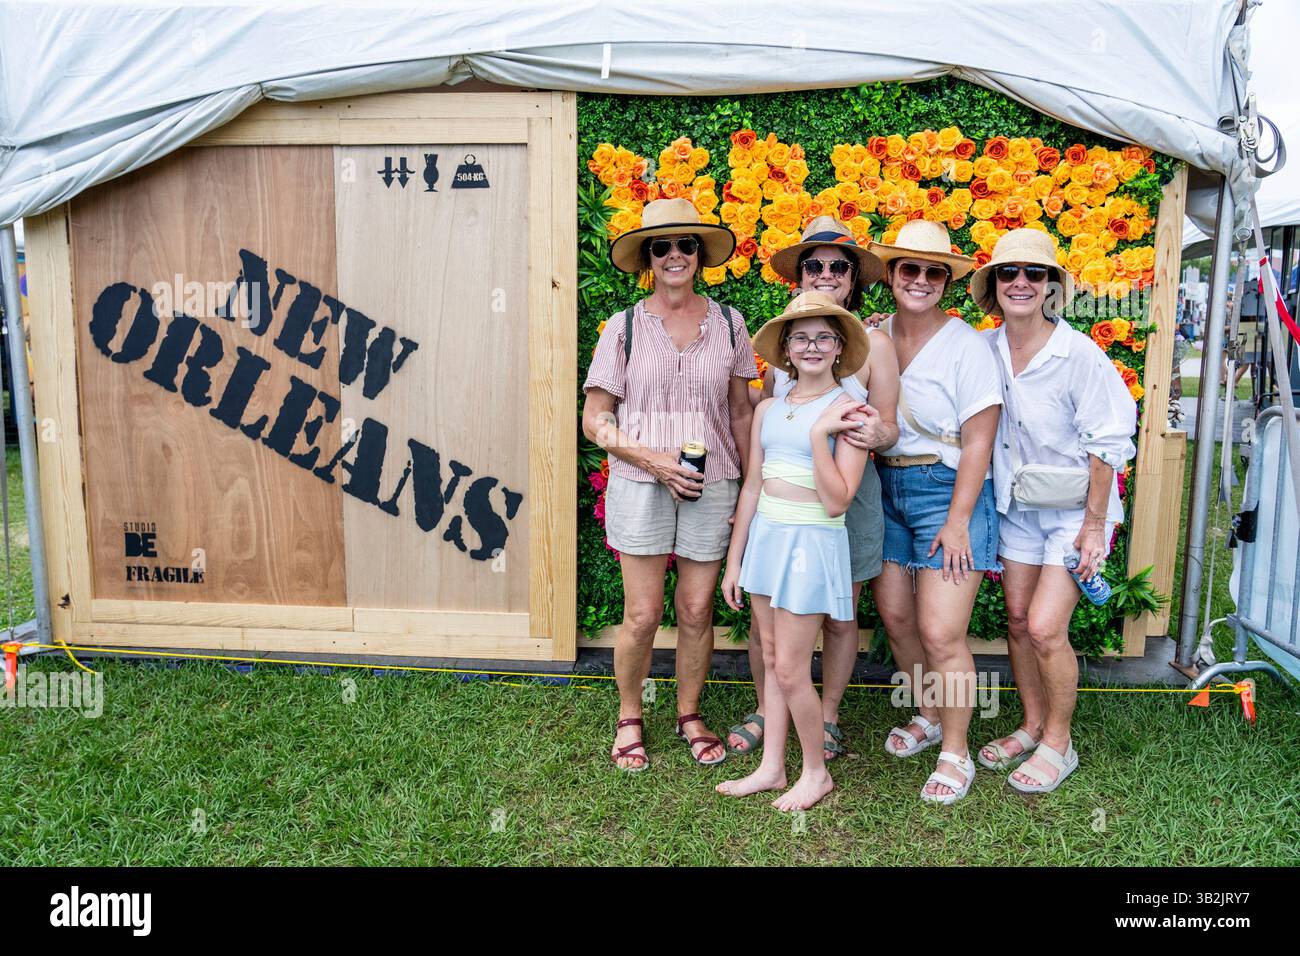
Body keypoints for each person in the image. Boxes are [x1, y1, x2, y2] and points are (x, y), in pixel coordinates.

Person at [582, 198, 756, 771]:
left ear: (700, 255)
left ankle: (688, 712)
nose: (675, 254)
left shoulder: (731, 323)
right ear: (648, 258)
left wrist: (750, 480)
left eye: (686, 245)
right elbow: (595, 420)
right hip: (639, 480)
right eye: (663, 246)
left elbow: (739, 413)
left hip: (716, 483)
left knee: (699, 608)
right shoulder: (622, 326)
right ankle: (630, 715)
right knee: (642, 614)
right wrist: (652, 458)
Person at [725, 217, 900, 763]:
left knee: (840, 611)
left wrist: (862, 430)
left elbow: (889, 427)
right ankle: (768, 708)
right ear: (799, 276)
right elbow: (772, 428)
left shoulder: (874, 343)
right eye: (814, 265)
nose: (825, 274)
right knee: (768, 613)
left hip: (845, 487)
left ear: (853, 277)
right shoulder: (789, 348)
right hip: (783, 501)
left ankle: (824, 717)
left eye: (837, 266)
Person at [969, 228, 1136, 793]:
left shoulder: (1078, 354)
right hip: (1018, 504)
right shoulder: (983, 348)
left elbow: (1109, 441)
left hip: (1075, 511)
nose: (1020, 282)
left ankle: (1059, 744)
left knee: (1044, 627)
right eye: (1008, 273)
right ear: (994, 285)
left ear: (1050, 288)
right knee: (1017, 621)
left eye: (1033, 274)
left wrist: (1093, 528)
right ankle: (1032, 723)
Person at [716, 291, 872, 810]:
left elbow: (837, 500)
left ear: (838, 347)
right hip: (766, 539)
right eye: (800, 337)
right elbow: (752, 488)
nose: (811, 346)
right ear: (785, 348)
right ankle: (772, 767)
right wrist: (735, 560)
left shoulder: (849, 411)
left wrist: (819, 436)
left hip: (811, 541)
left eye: (823, 337)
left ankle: (815, 772)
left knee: (789, 666)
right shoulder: (768, 409)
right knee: (771, 653)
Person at [866, 220, 1002, 805]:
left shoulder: (966, 345)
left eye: (932, 271)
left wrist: (956, 519)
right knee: (897, 619)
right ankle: (925, 713)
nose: (919, 279)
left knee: (941, 631)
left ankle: (956, 749)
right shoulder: (871, 335)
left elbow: (980, 441)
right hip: (885, 487)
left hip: (947, 492)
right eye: (908, 269)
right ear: (892, 275)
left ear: (946, 281)